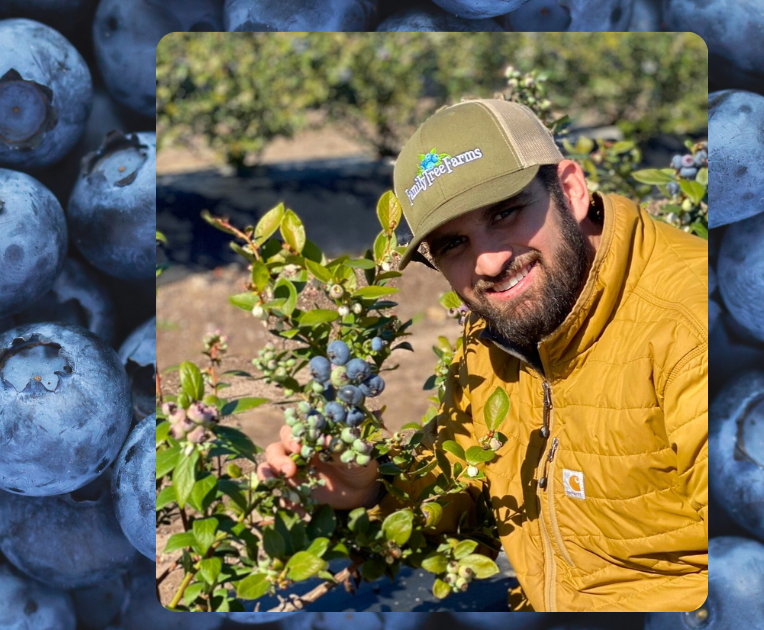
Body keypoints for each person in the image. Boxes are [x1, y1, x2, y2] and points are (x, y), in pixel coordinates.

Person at [258, 98, 708, 613]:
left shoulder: (691, 331)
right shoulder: (503, 325)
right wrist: (369, 491)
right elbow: (462, 483)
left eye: (506, 212)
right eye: (454, 244)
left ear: (571, 190)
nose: (489, 262)